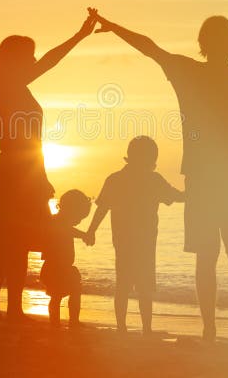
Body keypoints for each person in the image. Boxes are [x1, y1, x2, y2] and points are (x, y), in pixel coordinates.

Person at [90, 8, 228, 344]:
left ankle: (210, 330)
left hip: (204, 178)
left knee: (207, 256)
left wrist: (113, 26)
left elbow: (149, 47)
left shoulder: (187, 72)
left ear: (202, 44)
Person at [0, 13, 97, 322]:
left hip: (25, 171)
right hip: (16, 172)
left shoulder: (14, 88)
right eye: (29, 55)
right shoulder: (7, 87)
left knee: (17, 240)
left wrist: (43, 177)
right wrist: (79, 36)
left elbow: (32, 145)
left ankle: (10, 308)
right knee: (8, 240)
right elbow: (50, 62)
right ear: (15, 60)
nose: (34, 59)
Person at [86, 136, 185, 335]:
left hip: (123, 242)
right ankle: (146, 329)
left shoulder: (115, 179)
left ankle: (123, 327)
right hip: (144, 243)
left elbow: (102, 208)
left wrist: (91, 230)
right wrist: (199, 191)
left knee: (123, 284)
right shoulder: (152, 179)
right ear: (151, 159)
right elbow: (177, 196)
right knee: (144, 288)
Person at [40, 189, 92, 328]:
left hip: (65, 268)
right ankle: (55, 322)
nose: (79, 221)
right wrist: (84, 235)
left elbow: (68, 230)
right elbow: (66, 230)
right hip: (53, 267)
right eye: (79, 217)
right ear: (71, 210)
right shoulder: (56, 221)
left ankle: (73, 321)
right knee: (56, 296)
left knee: (75, 290)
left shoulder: (61, 222)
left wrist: (83, 235)